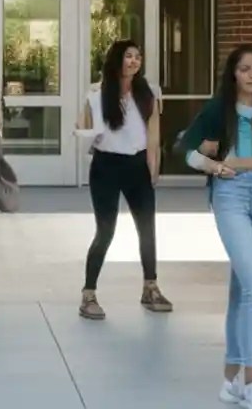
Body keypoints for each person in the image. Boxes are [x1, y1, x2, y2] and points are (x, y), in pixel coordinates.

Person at [180, 45, 252, 409]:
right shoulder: (217, 109)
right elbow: (185, 148)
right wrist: (215, 166)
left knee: (241, 287)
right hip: (230, 195)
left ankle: (230, 380)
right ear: (234, 74)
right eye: (246, 69)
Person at [78, 39, 171, 320]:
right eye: (128, 56)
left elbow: (153, 131)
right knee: (105, 230)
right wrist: (81, 130)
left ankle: (150, 286)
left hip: (137, 165)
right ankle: (89, 293)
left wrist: (153, 164)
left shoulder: (148, 92)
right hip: (106, 166)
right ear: (116, 60)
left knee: (147, 228)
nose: (134, 61)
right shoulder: (97, 94)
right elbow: (84, 129)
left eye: (138, 57)